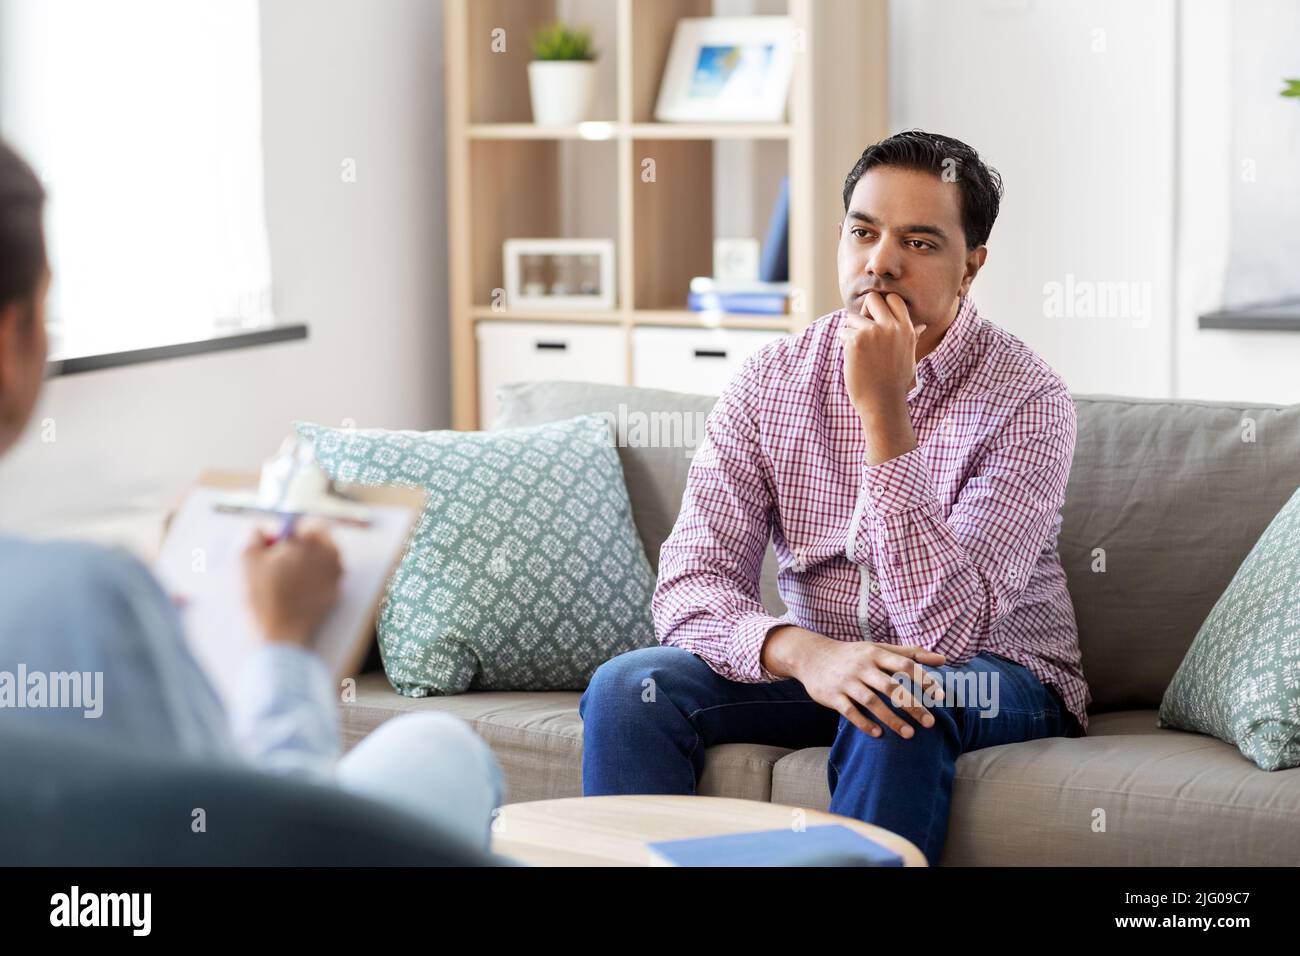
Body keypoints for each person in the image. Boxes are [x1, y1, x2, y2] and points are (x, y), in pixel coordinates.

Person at [581, 130, 1090, 866]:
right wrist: (807, 655)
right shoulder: (772, 379)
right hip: (829, 667)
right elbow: (689, 585)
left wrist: (886, 416)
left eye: (919, 242)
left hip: (998, 672)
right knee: (631, 688)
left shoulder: (1028, 399)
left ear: (970, 267)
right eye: (862, 232)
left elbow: (947, 632)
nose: (880, 261)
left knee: (902, 698)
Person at [0, 139, 503, 853]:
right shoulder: (87, 602)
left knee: (432, 745)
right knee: (446, 753)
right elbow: (263, 838)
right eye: (46, 313)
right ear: (11, 334)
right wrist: (284, 643)